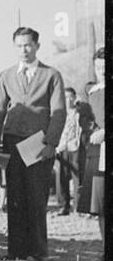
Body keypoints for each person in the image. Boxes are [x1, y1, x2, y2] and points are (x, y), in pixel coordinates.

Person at [0, 27, 66, 261]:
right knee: (16, 196)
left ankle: (38, 250)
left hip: (38, 142)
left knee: (37, 196)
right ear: (14, 47)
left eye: (28, 45)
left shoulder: (52, 75)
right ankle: (16, 250)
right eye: (19, 46)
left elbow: (59, 112)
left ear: (37, 46)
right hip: (11, 142)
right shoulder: (7, 75)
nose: (24, 50)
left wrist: (51, 142)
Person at [84, 46, 105, 259]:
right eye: (98, 67)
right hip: (99, 155)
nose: (102, 71)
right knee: (101, 205)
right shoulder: (91, 93)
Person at [54, 88, 85, 216]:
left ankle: (78, 207)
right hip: (61, 147)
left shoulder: (79, 112)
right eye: (65, 97)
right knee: (61, 177)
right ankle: (63, 205)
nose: (68, 100)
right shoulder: (58, 112)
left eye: (70, 97)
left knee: (77, 177)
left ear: (74, 97)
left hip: (75, 146)